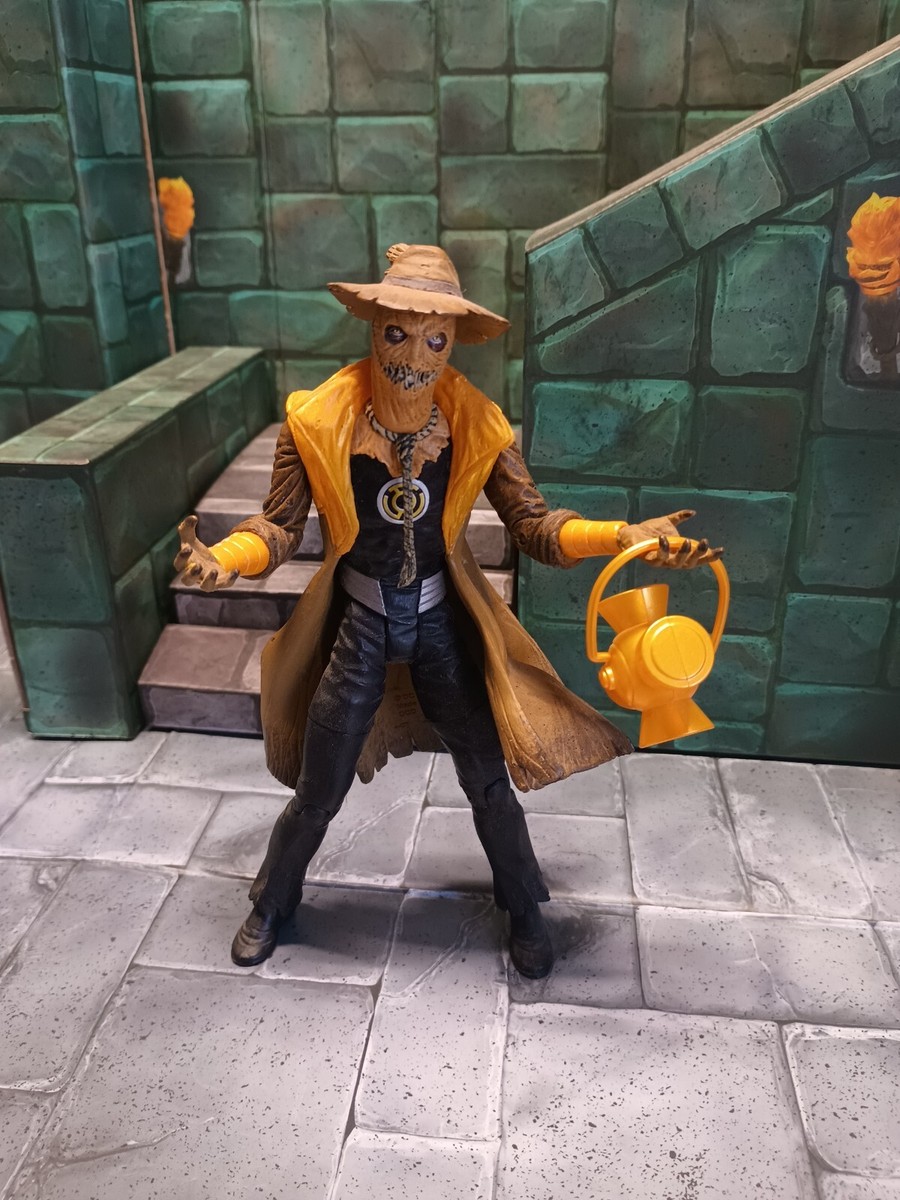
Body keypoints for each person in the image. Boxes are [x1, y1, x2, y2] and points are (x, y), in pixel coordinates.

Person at [175, 244, 721, 978]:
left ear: (455, 341)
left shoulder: (475, 423)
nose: (413, 357)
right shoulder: (317, 420)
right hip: (360, 624)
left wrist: (621, 537)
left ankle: (524, 906)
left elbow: (534, 526)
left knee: (488, 782)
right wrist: (226, 559)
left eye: (436, 340)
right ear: (373, 327)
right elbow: (278, 526)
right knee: (318, 787)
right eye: (397, 334)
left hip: (440, 623)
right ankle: (273, 900)